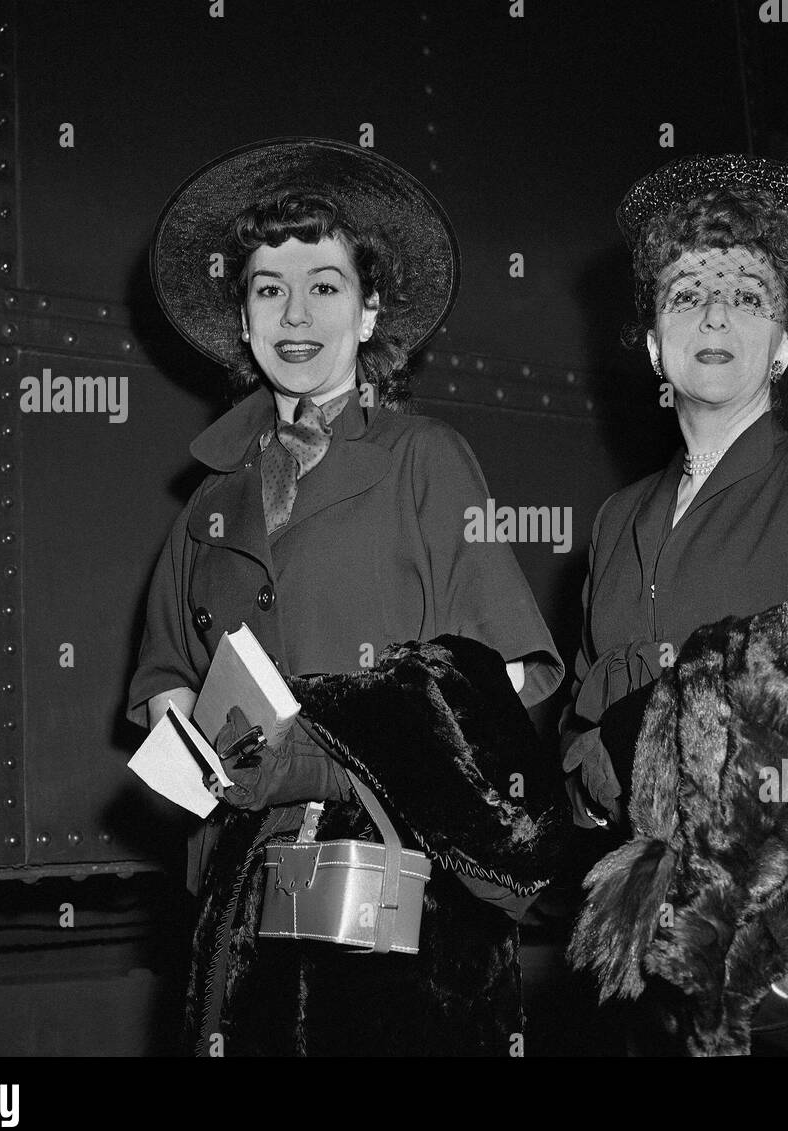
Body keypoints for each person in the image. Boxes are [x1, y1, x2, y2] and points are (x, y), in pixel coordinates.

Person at [126, 139, 563, 1053]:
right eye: (266, 288)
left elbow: (512, 675)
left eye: (324, 285)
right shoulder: (207, 501)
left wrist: (333, 750)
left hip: (405, 892)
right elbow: (168, 679)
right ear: (242, 323)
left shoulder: (424, 459)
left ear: (369, 314)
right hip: (248, 901)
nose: (294, 314)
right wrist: (205, 758)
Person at [561, 152, 788, 831]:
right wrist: (587, 795)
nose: (713, 316)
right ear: (652, 345)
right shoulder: (619, 519)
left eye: (746, 296)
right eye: (685, 295)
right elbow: (578, 731)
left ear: (784, 343)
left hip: (787, 890)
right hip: (644, 909)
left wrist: (652, 735)